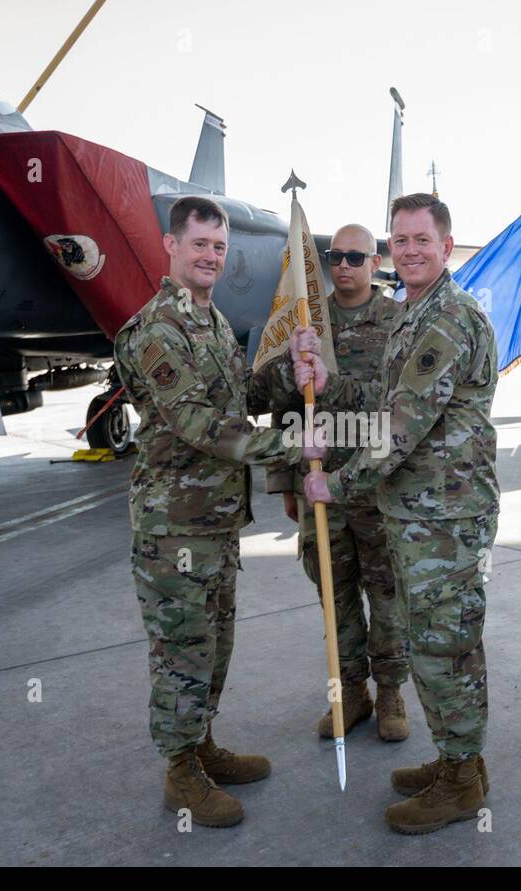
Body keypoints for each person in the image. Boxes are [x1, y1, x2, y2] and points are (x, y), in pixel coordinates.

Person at [112, 195, 323, 828]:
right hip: (173, 526)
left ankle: (200, 745)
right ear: (170, 247)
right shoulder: (158, 331)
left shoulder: (210, 322)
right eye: (199, 245)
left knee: (215, 643)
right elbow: (201, 424)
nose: (211, 256)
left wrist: (290, 368)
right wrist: (290, 443)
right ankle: (180, 772)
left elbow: (242, 395)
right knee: (182, 649)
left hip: (215, 521)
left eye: (218, 247)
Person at [301, 193, 499, 834]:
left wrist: (338, 481)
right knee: (434, 642)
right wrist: (333, 386)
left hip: (443, 517)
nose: (410, 250)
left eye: (422, 239)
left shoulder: (446, 319)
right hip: (418, 515)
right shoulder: (415, 315)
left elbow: (399, 427)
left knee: (446, 647)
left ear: (447, 245)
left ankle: (462, 779)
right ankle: (456, 762)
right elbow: (387, 396)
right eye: (401, 240)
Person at [266, 223, 410, 743]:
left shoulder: (397, 321)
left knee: (387, 590)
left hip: (376, 484)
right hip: (319, 484)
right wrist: (285, 481)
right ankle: (351, 694)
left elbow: (401, 403)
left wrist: (337, 386)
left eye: (355, 256)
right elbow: (279, 407)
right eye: (335, 256)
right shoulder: (307, 321)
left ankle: (391, 689)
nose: (344, 265)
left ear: (375, 262)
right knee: (334, 592)